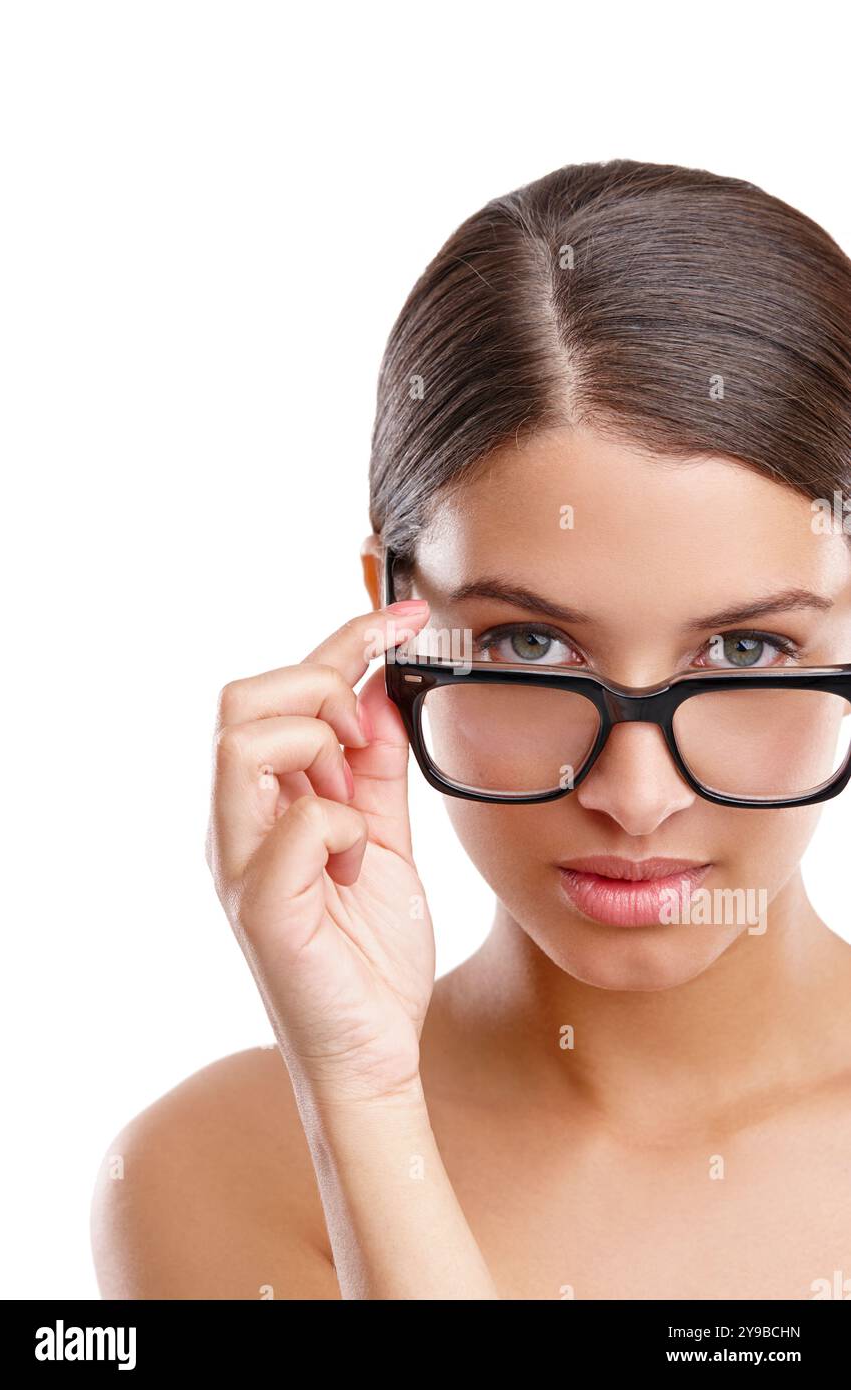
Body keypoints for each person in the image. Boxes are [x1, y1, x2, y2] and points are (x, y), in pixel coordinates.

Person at [91, 159, 851, 1300]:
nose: (633, 797)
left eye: (744, 650)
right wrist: (363, 1101)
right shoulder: (215, 1170)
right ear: (391, 621)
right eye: (529, 645)